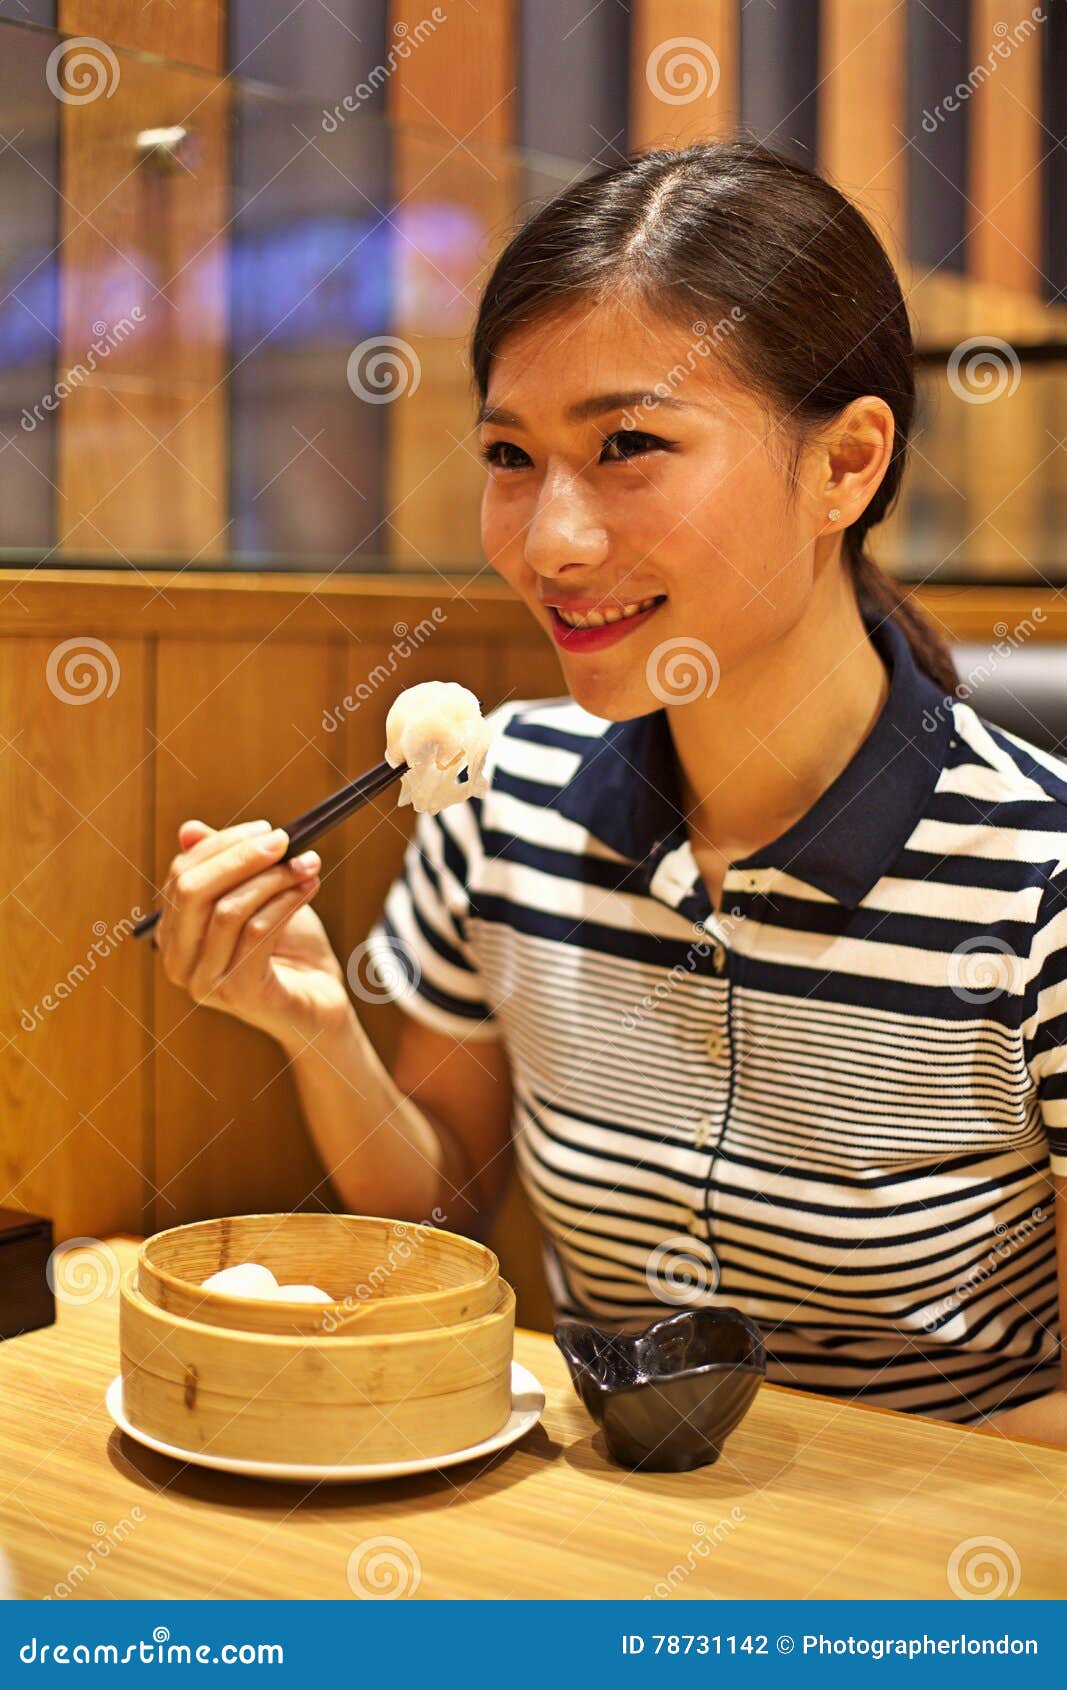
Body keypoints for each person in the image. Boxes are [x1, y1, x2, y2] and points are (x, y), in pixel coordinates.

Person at [157, 141, 1065, 1440]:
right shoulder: (494, 794)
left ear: (848, 465)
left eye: (629, 443)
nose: (551, 542)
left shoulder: (1044, 873)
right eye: (511, 453)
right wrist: (316, 1031)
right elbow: (443, 1211)